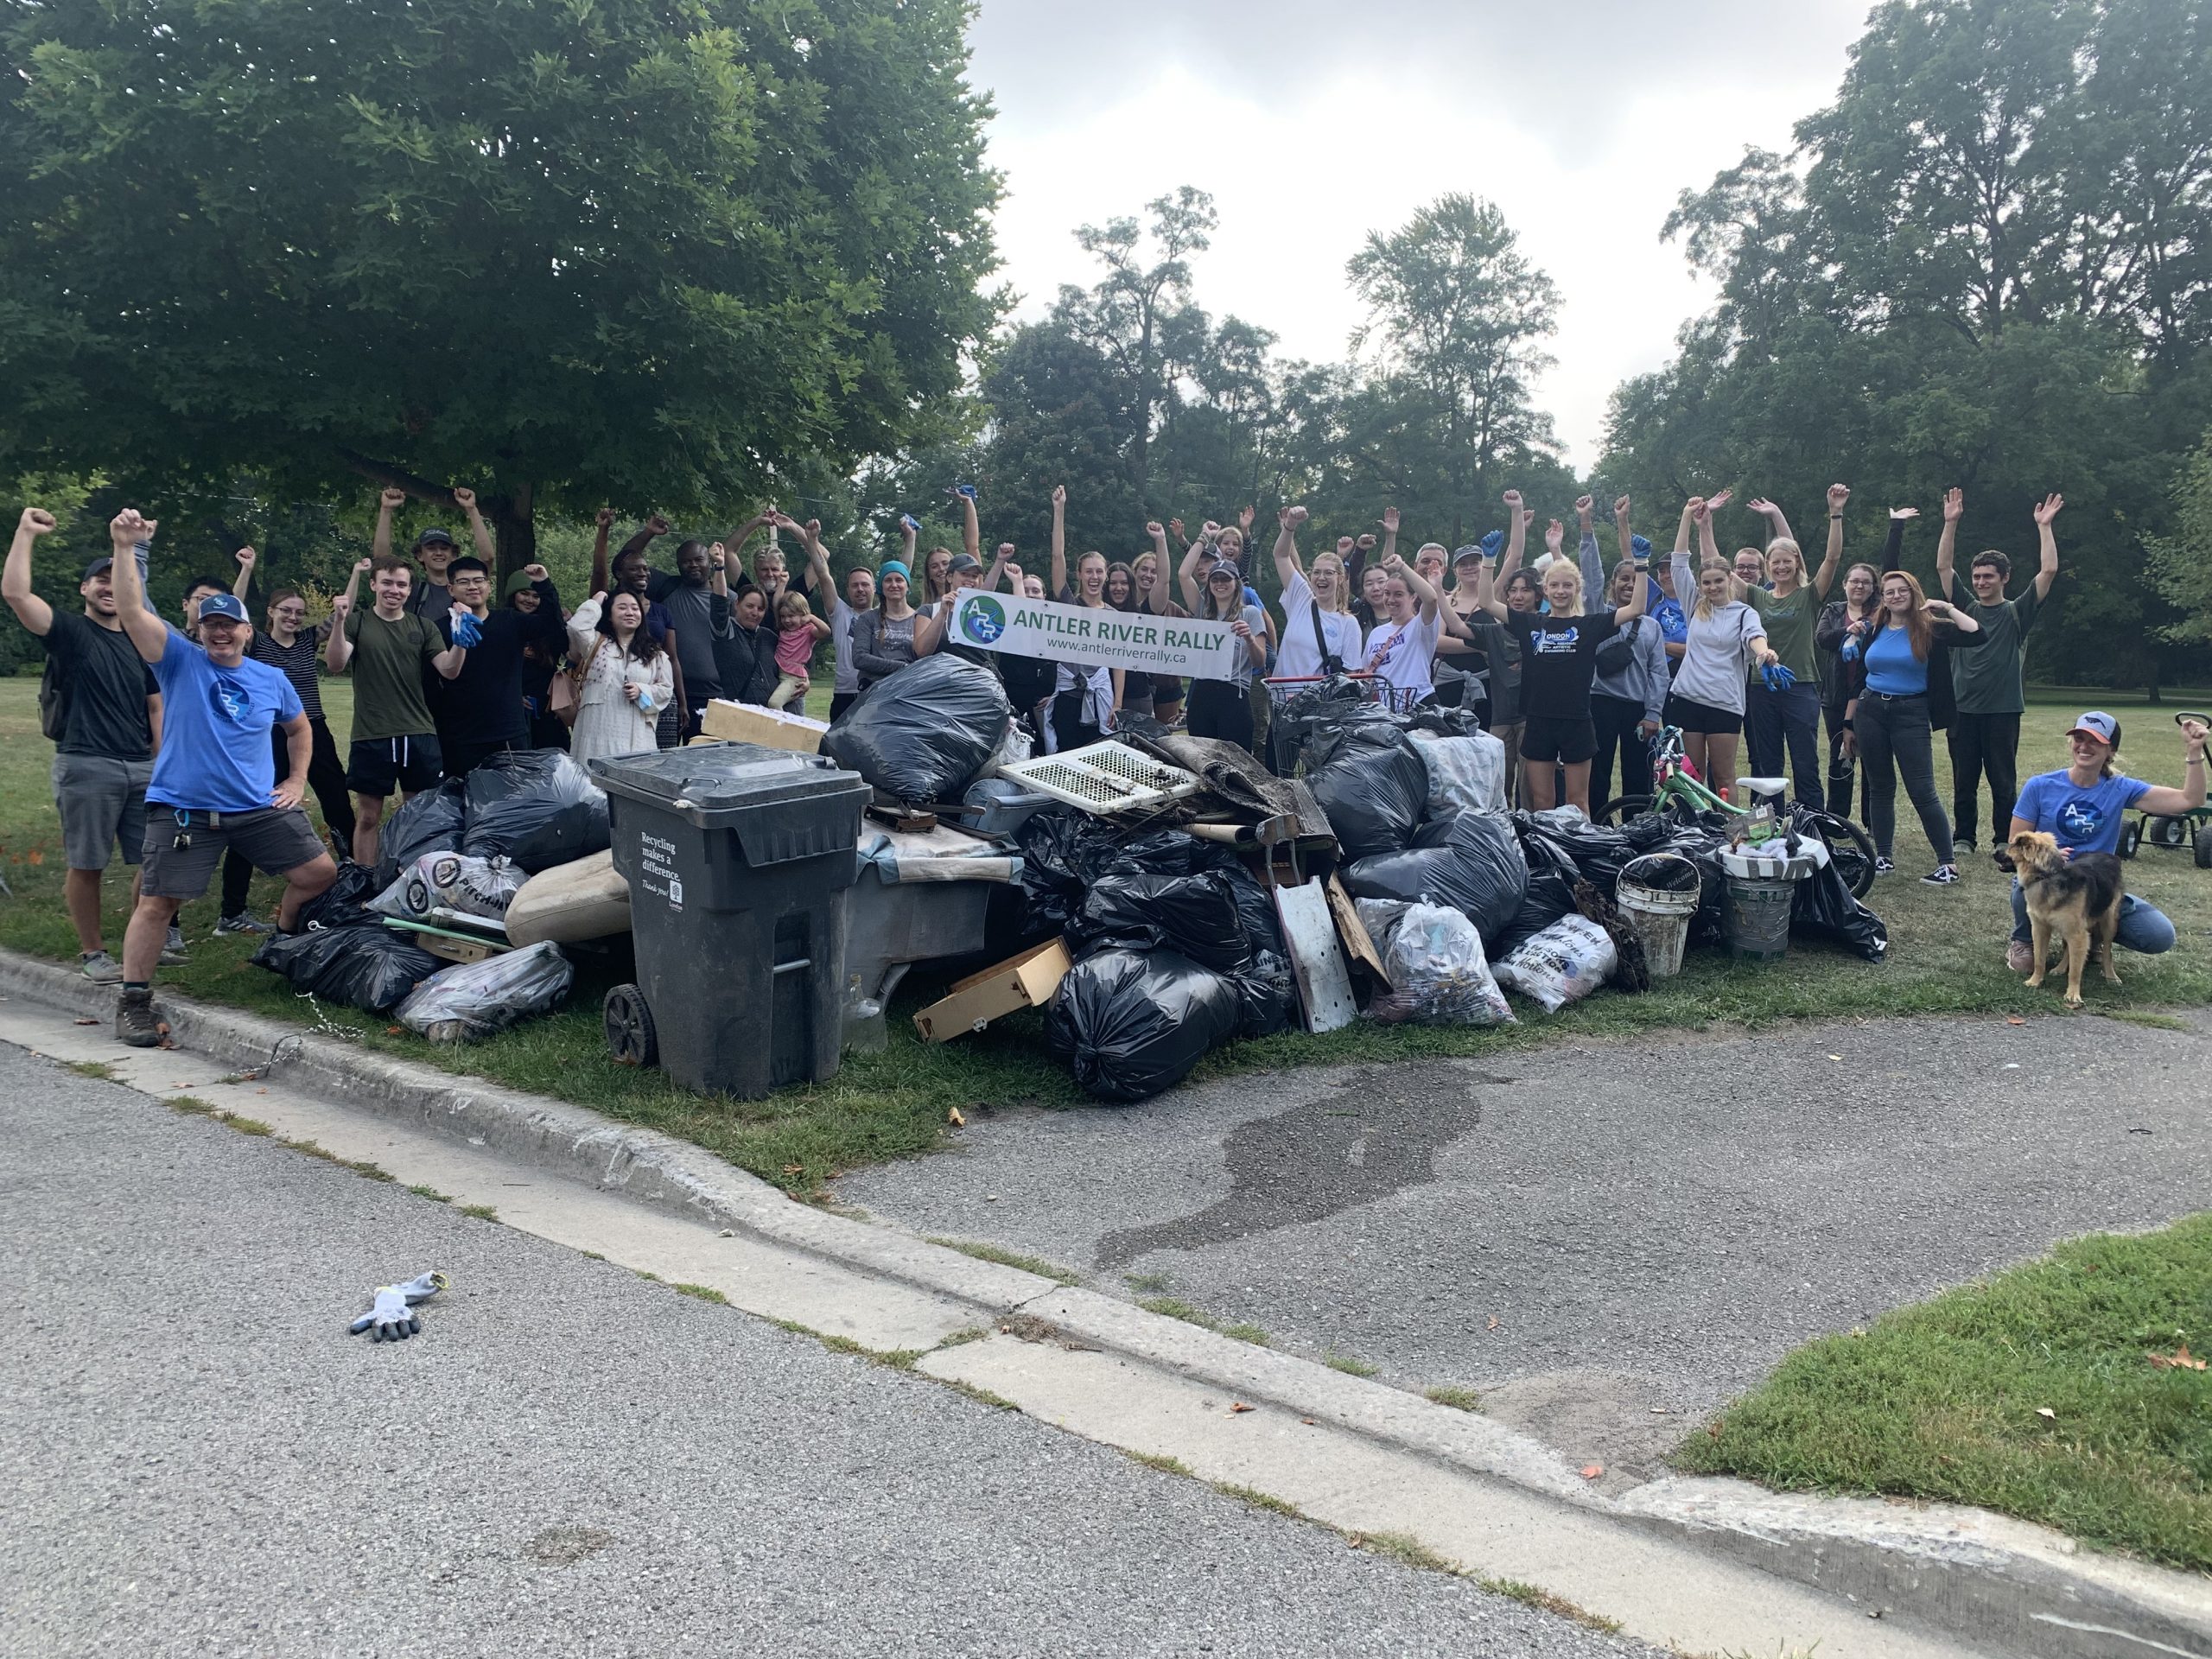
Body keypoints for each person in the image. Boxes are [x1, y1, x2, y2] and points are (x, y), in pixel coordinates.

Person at [99, 510, 338, 1047]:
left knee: (319, 873)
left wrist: (297, 781)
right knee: (159, 901)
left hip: (255, 807)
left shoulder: (269, 677)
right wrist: (126, 549)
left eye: (230, 624)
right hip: (185, 809)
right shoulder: (177, 661)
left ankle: (281, 944)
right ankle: (134, 1000)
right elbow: (132, 608)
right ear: (199, 630)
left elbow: (301, 730)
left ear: (247, 632)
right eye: (211, 624)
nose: (221, 632)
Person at [3, 508, 168, 982]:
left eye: (113, 580)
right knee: (88, 864)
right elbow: (16, 593)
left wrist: (161, 763)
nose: (106, 587)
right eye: (97, 581)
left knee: (153, 865)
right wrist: (26, 533)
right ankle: (94, 953)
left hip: (142, 767)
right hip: (86, 764)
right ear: (85, 590)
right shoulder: (71, 633)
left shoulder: (143, 641)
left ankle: (142, 942)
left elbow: (155, 705)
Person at [1475, 492, 1646, 813]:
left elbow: (1637, 606)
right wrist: (1488, 562)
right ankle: (1546, 859)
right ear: (1546, 590)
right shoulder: (1530, 623)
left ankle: (1578, 856)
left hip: (1577, 721)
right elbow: (1486, 603)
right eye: (1555, 586)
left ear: (1576, 589)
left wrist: (1642, 567)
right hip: (1538, 720)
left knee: (1577, 801)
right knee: (1542, 801)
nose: (1561, 591)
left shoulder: (1590, 625)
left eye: (1568, 585)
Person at [213, 550, 357, 933]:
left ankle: (354, 876)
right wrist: (245, 568)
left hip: (315, 729)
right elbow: (235, 607)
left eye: (298, 611)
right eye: (286, 611)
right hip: (270, 735)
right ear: (271, 613)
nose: (293, 617)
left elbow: (343, 612)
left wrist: (357, 573)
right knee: (257, 811)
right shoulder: (256, 642)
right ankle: (232, 911)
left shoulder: (309, 639)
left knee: (339, 803)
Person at [2005, 712, 2205, 971]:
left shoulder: (2120, 788)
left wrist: (2194, 750)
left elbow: (2190, 800)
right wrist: (2049, 857)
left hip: (2092, 885)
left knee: (2158, 935)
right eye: (2079, 738)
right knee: (2028, 890)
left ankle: (2090, 936)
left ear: (2110, 750)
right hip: (2045, 879)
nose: (2084, 747)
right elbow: (2015, 843)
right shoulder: (2040, 786)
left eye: (2094, 741)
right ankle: (2024, 941)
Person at [1852, 511, 1986, 883]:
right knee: (1879, 787)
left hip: (1911, 712)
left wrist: (1948, 607)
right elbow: (1861, 676)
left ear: (1913, 594)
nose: (1895, 595)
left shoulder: (1930, 627)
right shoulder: (1874, 627)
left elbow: (1977, 635)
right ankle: (1883, 857)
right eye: (1890, 591)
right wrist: (1850, 720)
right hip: (1871, 710)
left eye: (1902, 590)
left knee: (1922, 789)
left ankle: (1947, 863)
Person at [324, 555, 471, 868]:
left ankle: (411, 879)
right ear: (374, 584)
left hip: (418, 733)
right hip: (372, 734)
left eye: (401, 584)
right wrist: (338, 621)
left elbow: (449, 670)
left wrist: (461, 642)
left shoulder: (423, 625)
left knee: (417, 815)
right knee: (368, 817)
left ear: (409, 590)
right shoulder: (357, 622)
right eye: (388, 582)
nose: (394, 589)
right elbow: (335, 664)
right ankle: (363, 884)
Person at [1939, 489, 2060, 854]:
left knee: (2003, 781)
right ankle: (1964, 837)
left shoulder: (2017, 612)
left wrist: (2044, 527)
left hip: (2003, 710)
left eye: (1988, 576)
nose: (1980, 582)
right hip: (1962, 708)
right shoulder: (1965, 607)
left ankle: (2002, 839)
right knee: (1964, 780)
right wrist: (1950, 523)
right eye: (1976, 577)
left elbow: (2049, 570)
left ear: (2005, 577)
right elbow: (1944, 568)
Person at [1719, 488, 1846, 806]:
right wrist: (1705, 524)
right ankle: (1769, 829)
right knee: (1767, 766)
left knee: (1805, 763)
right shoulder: (1756, 595)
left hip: (1801, 686)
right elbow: (1719, 569)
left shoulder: (1809, 595)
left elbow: (1832, 558)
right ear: (1768, 566)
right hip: (1761, 688)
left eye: (1786, 561)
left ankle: (1812, 828)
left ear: (1796, 563)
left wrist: (1835, 512)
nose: (1781, 567)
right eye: (1775, 562)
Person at [1665, 496, 1779, 798]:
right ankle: (1696, 835)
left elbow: (1755, 636)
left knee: (1724, 777)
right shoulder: (1695, 606)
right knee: (1692, 775)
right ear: (1700, 585)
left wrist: (1764, 652)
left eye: (1718, 580)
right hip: (1688, 699)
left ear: (1729, 579)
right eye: (1707, 582)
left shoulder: (1744, 612)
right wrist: (1686, 516)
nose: (1712, 587)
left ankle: (1730, 834)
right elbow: (1679, 562)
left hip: (1725, 704)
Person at [431, 556, 563, 779]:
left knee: (512, 803)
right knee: (461, 802)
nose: (473, 586)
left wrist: (544, 584)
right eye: (464, 582)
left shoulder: (511, 621)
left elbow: (552, 624)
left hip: (509, 732)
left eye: (478, 580)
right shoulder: (439, 629)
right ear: (451, 589)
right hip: (459, 735)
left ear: (488, 586)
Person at [1175, 535, 1268, 752]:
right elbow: (1182, 574)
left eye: (1226, 579)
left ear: (1236, 584)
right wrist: (1202, 538)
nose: (1220, 584)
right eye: (1215, 579)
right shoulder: (1202, 610)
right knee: (1201, 758)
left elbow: (1259, 661)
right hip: (1203, 693)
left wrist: (1250, 640)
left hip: (1235, 694)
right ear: (1209, 584)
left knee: (1236, 760)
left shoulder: (1251, 614)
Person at [565, 589, 673, 765]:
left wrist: (642, 691)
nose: (630, 613)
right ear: (609, 615)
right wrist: (597, 600)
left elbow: (666, 690)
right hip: (597, 730)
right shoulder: (595, 643)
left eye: (635, 608)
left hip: (637, 734)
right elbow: (577, 627)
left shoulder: (655, 655)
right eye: (622, 608)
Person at [1048, 486, 1116, 751]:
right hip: (1068, 696)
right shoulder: (1068, 604)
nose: (1094, 577)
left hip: (1100, 697)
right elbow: (1057, 556)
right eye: (1088, 571)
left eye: (1099, 571)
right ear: (1079, 574)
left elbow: (1118, 663)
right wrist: (1059, 509)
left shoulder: (1113, 616)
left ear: (1106, 575)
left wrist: (1118, 702)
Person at [1815, 562, 1881, 822]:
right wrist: (1847, 632)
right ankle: (1838, 818)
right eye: (1854, 581)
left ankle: (1873, 820)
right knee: (1840, 756)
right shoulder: (1833, 610)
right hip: (1836, 696)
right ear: (1845, 584)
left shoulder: (1881, 612)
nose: (1859, 586)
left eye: (1865, 581)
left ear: (1874, 587)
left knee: (1873, 761)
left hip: (1871, 693)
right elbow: (1822, 639)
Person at [1360, 552, 1445, 711]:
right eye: (1387, 593)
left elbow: (1431, 599)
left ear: (1413, 597)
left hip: (1418, 705)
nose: (1391, 600)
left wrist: (1401, 567)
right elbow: (1366, 675)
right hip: (1385, 712)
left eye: (1398, 594)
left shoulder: (1421, 625)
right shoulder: (1376, 633)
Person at [707, 547, 778, 708]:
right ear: (737, 604)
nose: (755, 612)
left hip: (769, 715)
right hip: (736, 712)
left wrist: (802, 681)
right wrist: (719, 566)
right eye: (750, 606)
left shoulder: (769, 637)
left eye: (760, 609)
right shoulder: (726, 630)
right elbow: (719, 603)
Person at [507, 571, 569, 750]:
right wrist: (512, 697)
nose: (530, 600)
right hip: (512, 709)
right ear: (513, 595)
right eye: (524, 594)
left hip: (548, 709)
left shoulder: (549, 629)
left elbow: (568, 649)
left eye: (536, 596)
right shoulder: (503, 622)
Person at [847, 559, 925, 693]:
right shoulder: (868, 619)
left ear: (908, 586)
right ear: (881, 586)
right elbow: (859, 658)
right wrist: (902, 667)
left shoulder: (921, 619)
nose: (894, 585)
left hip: (910, 692)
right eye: (888, 580)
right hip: (874, 693)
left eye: (899, 580)